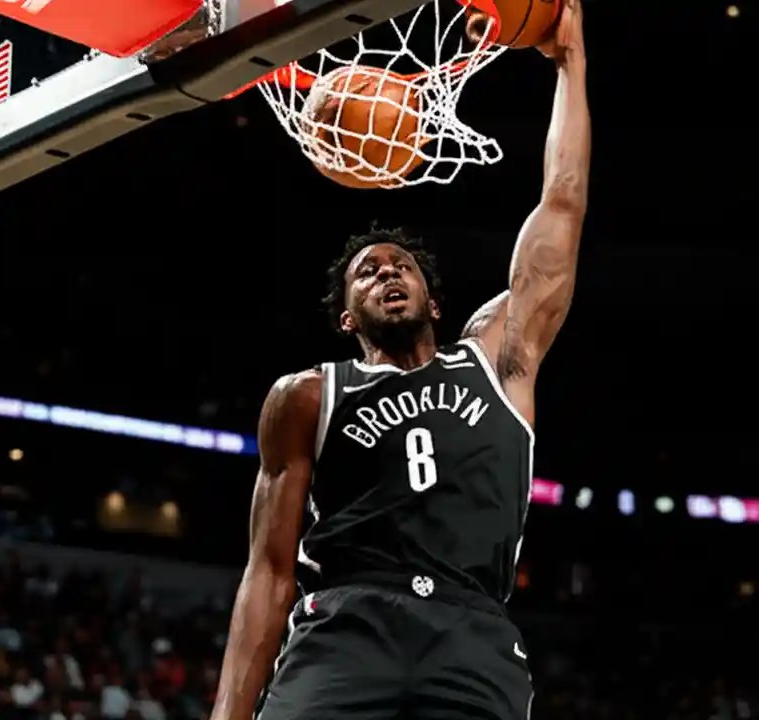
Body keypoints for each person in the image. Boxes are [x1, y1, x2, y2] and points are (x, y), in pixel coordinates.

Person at [210, 2, 590, 718]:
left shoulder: (499, 362)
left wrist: (571, 65)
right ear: (348, 317)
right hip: (345, 627)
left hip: (471, 633)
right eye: (367, 272)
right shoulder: (307, 397)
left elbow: (562, 204)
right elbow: (267, 575)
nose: (387, 273)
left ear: (434, 301)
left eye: (400, 266)